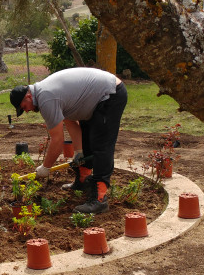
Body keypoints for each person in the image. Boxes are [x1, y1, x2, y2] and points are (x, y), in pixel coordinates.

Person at [10, 67, 127, 214]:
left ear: (28, 96)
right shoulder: (46, 94)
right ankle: (83, 181)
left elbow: (57, 141)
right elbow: (70, 120)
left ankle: (100, 199)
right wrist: (79, 151)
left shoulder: (46, 98)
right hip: (95, 99)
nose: (26, 111)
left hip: (110, 94)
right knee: (87, 141)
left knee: (101, 145)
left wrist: (45, 168)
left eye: (24, 108)